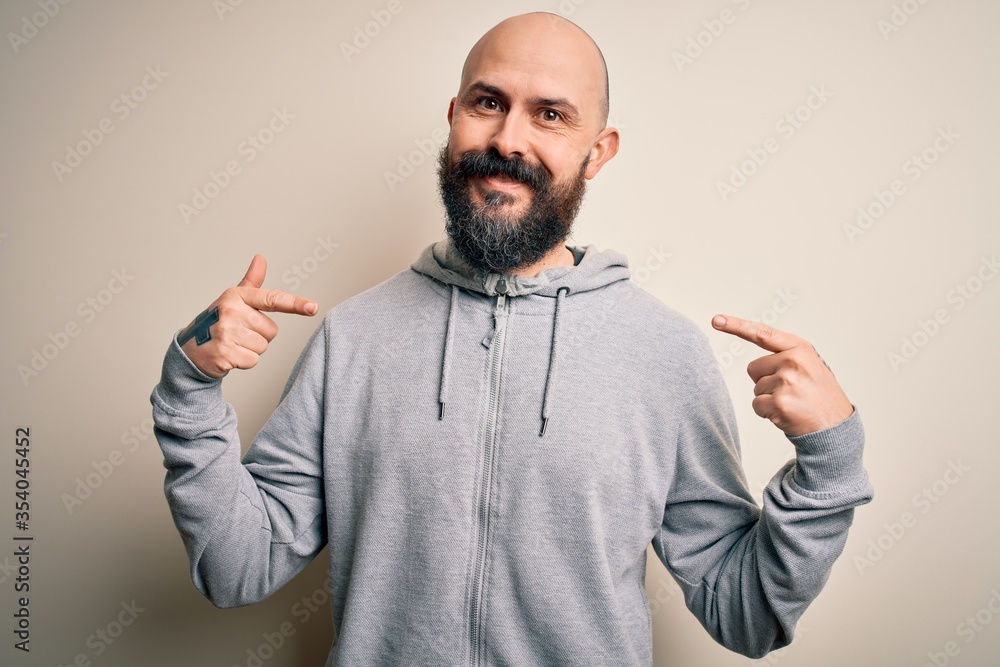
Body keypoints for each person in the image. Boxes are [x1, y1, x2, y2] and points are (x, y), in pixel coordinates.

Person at [150, 12, 872, 666]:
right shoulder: (353, 340)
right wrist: (190, 386)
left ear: (598, 151)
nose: (506, 140)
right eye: (487, 102)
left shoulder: (664, 355)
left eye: (550, 114)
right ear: (454, 113)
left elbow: (745, 615)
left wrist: (830, 460)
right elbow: (235, 568)